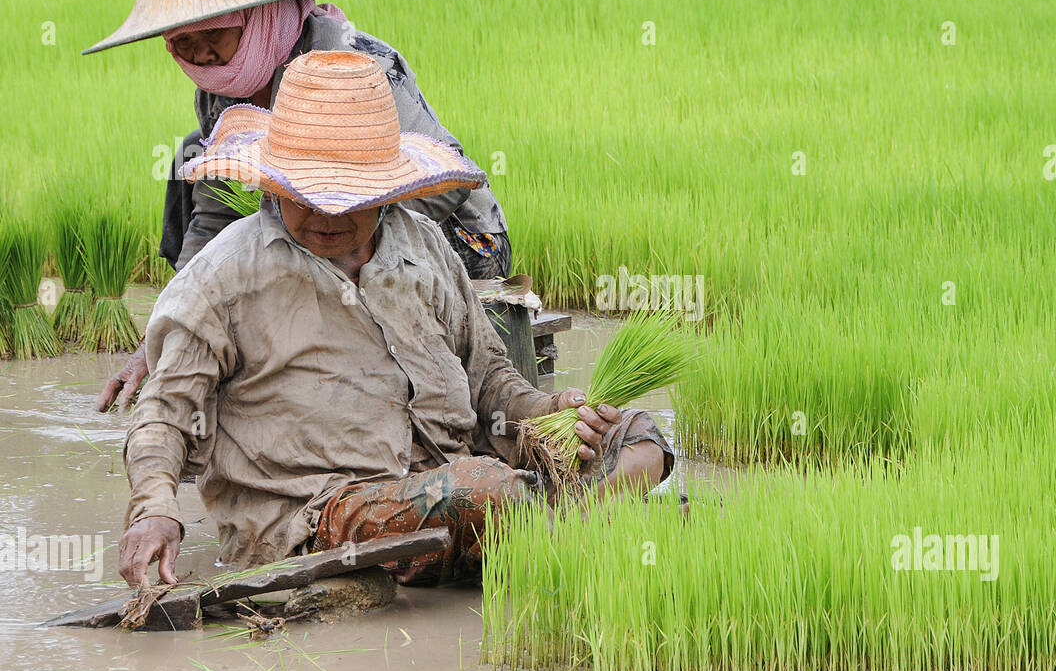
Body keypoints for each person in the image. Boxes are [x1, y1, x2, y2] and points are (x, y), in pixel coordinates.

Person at [117, 51, 672, 589]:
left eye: (349, 196)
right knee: (483, 491)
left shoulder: (424, 247)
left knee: (640, 436)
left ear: (385, 187)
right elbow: (164, 411)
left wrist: (553, 416)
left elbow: (488, 382)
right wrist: (154, 511)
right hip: (316, 517)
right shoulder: (225, 276)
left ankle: (554, 526)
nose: (326, 214)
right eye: (306, 194)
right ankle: (573, 529)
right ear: (274, 181)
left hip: (455, 483)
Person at [85, 0, 511, 411]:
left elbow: (449, 178)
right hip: (313, 229)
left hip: (450, 236)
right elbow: (216, 215)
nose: (200, 56)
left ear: (256, 16)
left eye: (213, 35)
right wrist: (162, 340)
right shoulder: (222, 88)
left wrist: (317, 227)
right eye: (182, 42)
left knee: (277, 255)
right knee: (191, 162)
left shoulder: (355, 66)